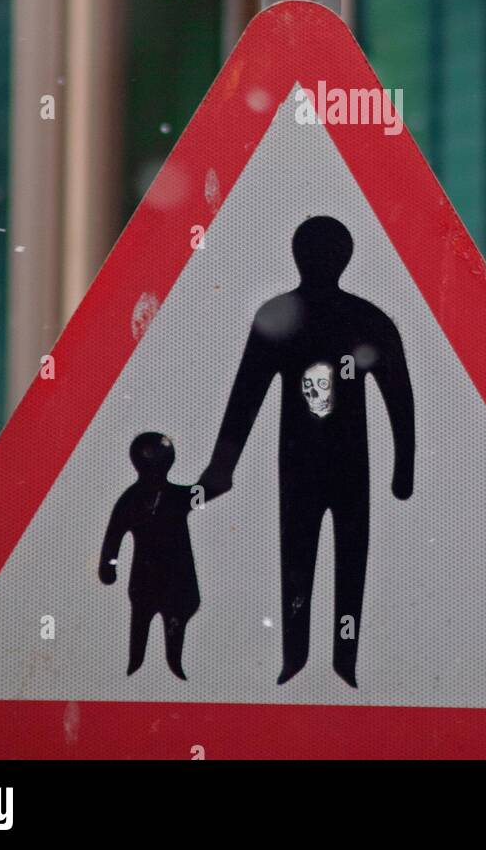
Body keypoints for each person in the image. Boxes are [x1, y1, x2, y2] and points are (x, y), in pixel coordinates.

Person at [198, 216, 415, 688]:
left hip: (340, 464)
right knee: (302, 559)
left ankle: (344, 661)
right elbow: (246, 397)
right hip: (304, 464)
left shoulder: (363, 319)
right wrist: (221, 468)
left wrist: (405, 470)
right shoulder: (284, 318)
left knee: (341, 559)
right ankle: (297, 658)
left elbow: (399, 395)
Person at [99, 432, 200, 679]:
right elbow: (114, 535)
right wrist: (108, 566)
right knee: (141, 624)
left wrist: (220, 471)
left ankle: (173, 664)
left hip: (173, 581)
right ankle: (134, 665)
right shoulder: (132, 499)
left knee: (172, 625)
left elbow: (204, 492)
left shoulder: (177, 496)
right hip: (148, 579)